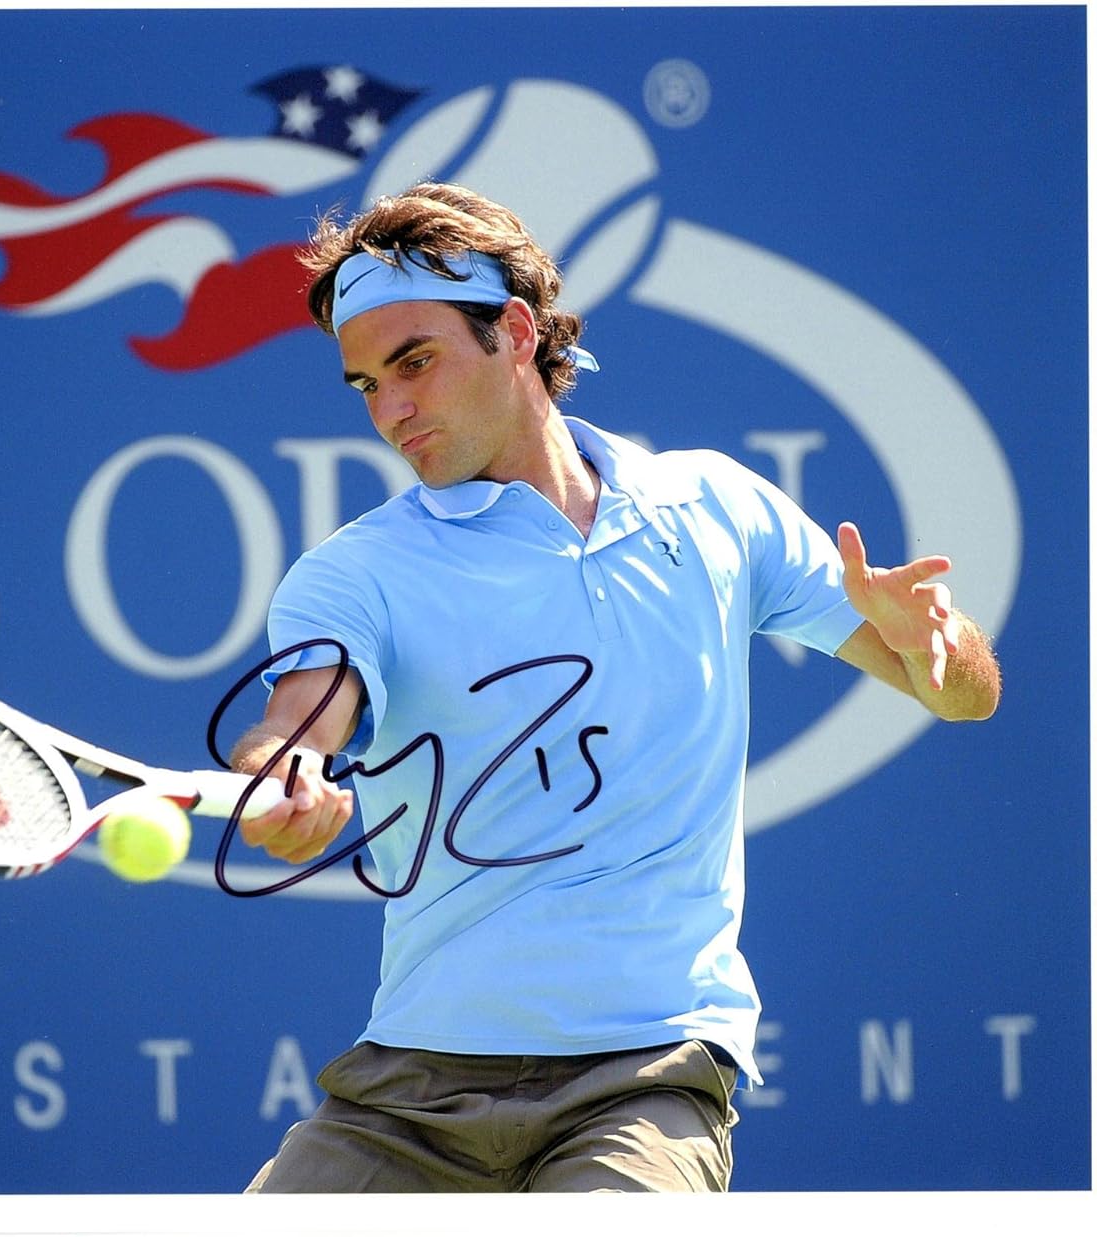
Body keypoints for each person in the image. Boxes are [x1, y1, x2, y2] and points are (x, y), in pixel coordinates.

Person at [228, 182, 1002, 1192]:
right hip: (408, 1088)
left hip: (644, 1077)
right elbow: (303, 717)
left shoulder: (717, 507)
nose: (391, 410)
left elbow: (963, 695)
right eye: (366, 384)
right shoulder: (353, 573)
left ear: (514, 332)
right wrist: (286, 769)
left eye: (414, 362)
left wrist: (940, 647)